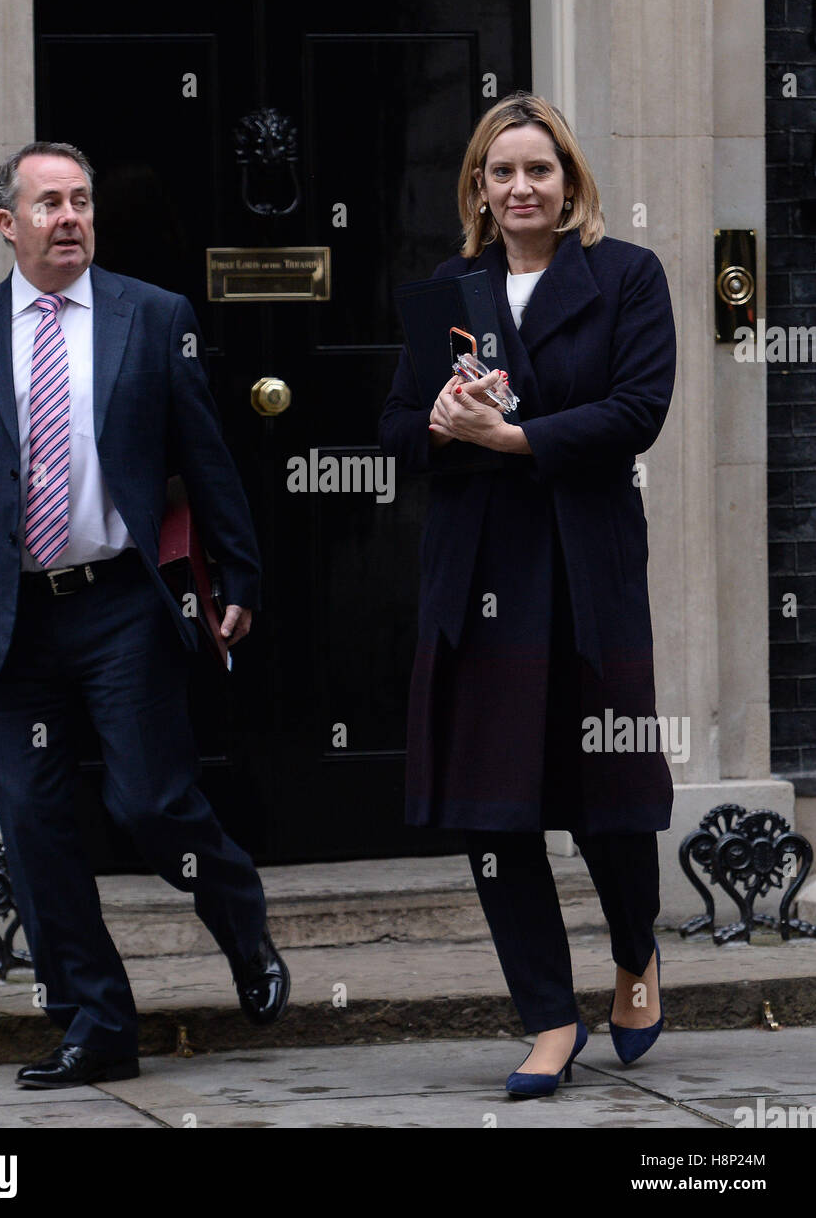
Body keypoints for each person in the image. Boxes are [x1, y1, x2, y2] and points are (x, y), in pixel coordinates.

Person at [0, 141, 289, 1089]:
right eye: (48, 205)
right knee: (34, 827)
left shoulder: (152, 319)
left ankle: (241, 924)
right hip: (10, 619)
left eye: (80, 202)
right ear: (8, 225)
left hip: (119, 606)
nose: (69, 217)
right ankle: (96, 1022)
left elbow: (206, 456)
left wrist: (236, 576)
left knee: (150, 803)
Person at [379, 92, 676, 1098]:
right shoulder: (449, 290)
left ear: (569, 183)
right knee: (490, 810)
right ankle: (548, 1015)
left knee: (610, 802)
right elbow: (392, 434)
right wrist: (438, 416)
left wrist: (510, 438)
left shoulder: (625, 278)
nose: (519, 188)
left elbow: (636, 410)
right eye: (500, 172)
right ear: (477, 187)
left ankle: (634, 954)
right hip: (477, 580)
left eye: (537, 171)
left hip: (582, 574)